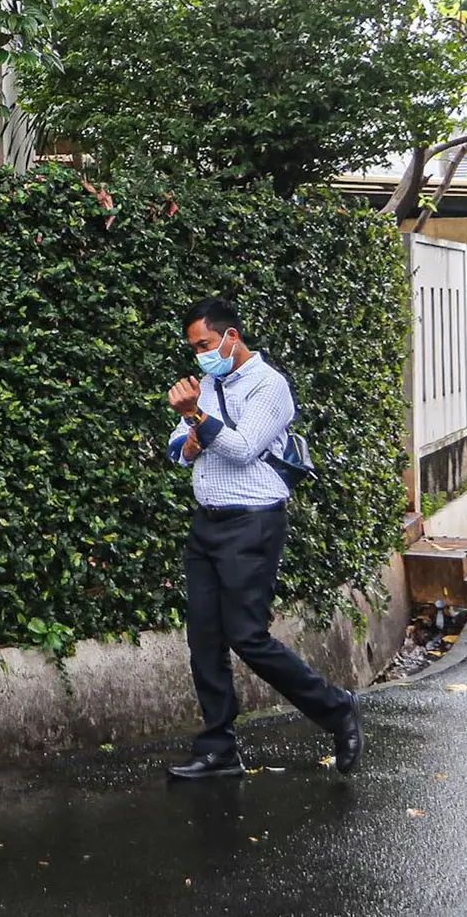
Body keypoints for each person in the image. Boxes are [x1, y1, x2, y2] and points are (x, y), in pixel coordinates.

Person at [162, 298, 363, 780]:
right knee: (204, 637)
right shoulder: (209, 385)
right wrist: (189, 434)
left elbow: (243, 449)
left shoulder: (270, 387)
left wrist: (197, 420)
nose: (201, 356)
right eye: (195, 348)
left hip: (252, 522)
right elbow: (177, 449)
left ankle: (337, 710)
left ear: (231, 336)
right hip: (206, 522)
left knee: (247, 636)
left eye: (206, 344)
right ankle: (218, 749)